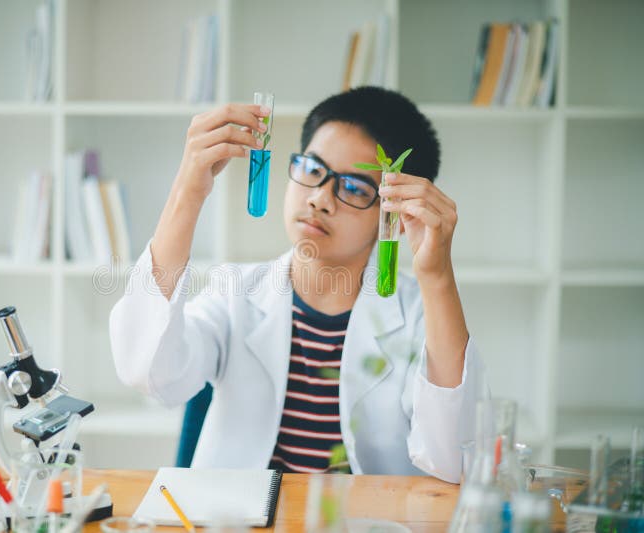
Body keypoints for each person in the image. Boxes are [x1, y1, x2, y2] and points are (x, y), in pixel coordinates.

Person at [109, 86, 486, 483]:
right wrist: (187, 192)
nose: (321, 199)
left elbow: (454, 461)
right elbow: (146, 369)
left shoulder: (419, 316)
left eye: (354, 188)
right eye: (312, 169)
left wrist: (438, 277)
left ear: (393, 211)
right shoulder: (234, 292)